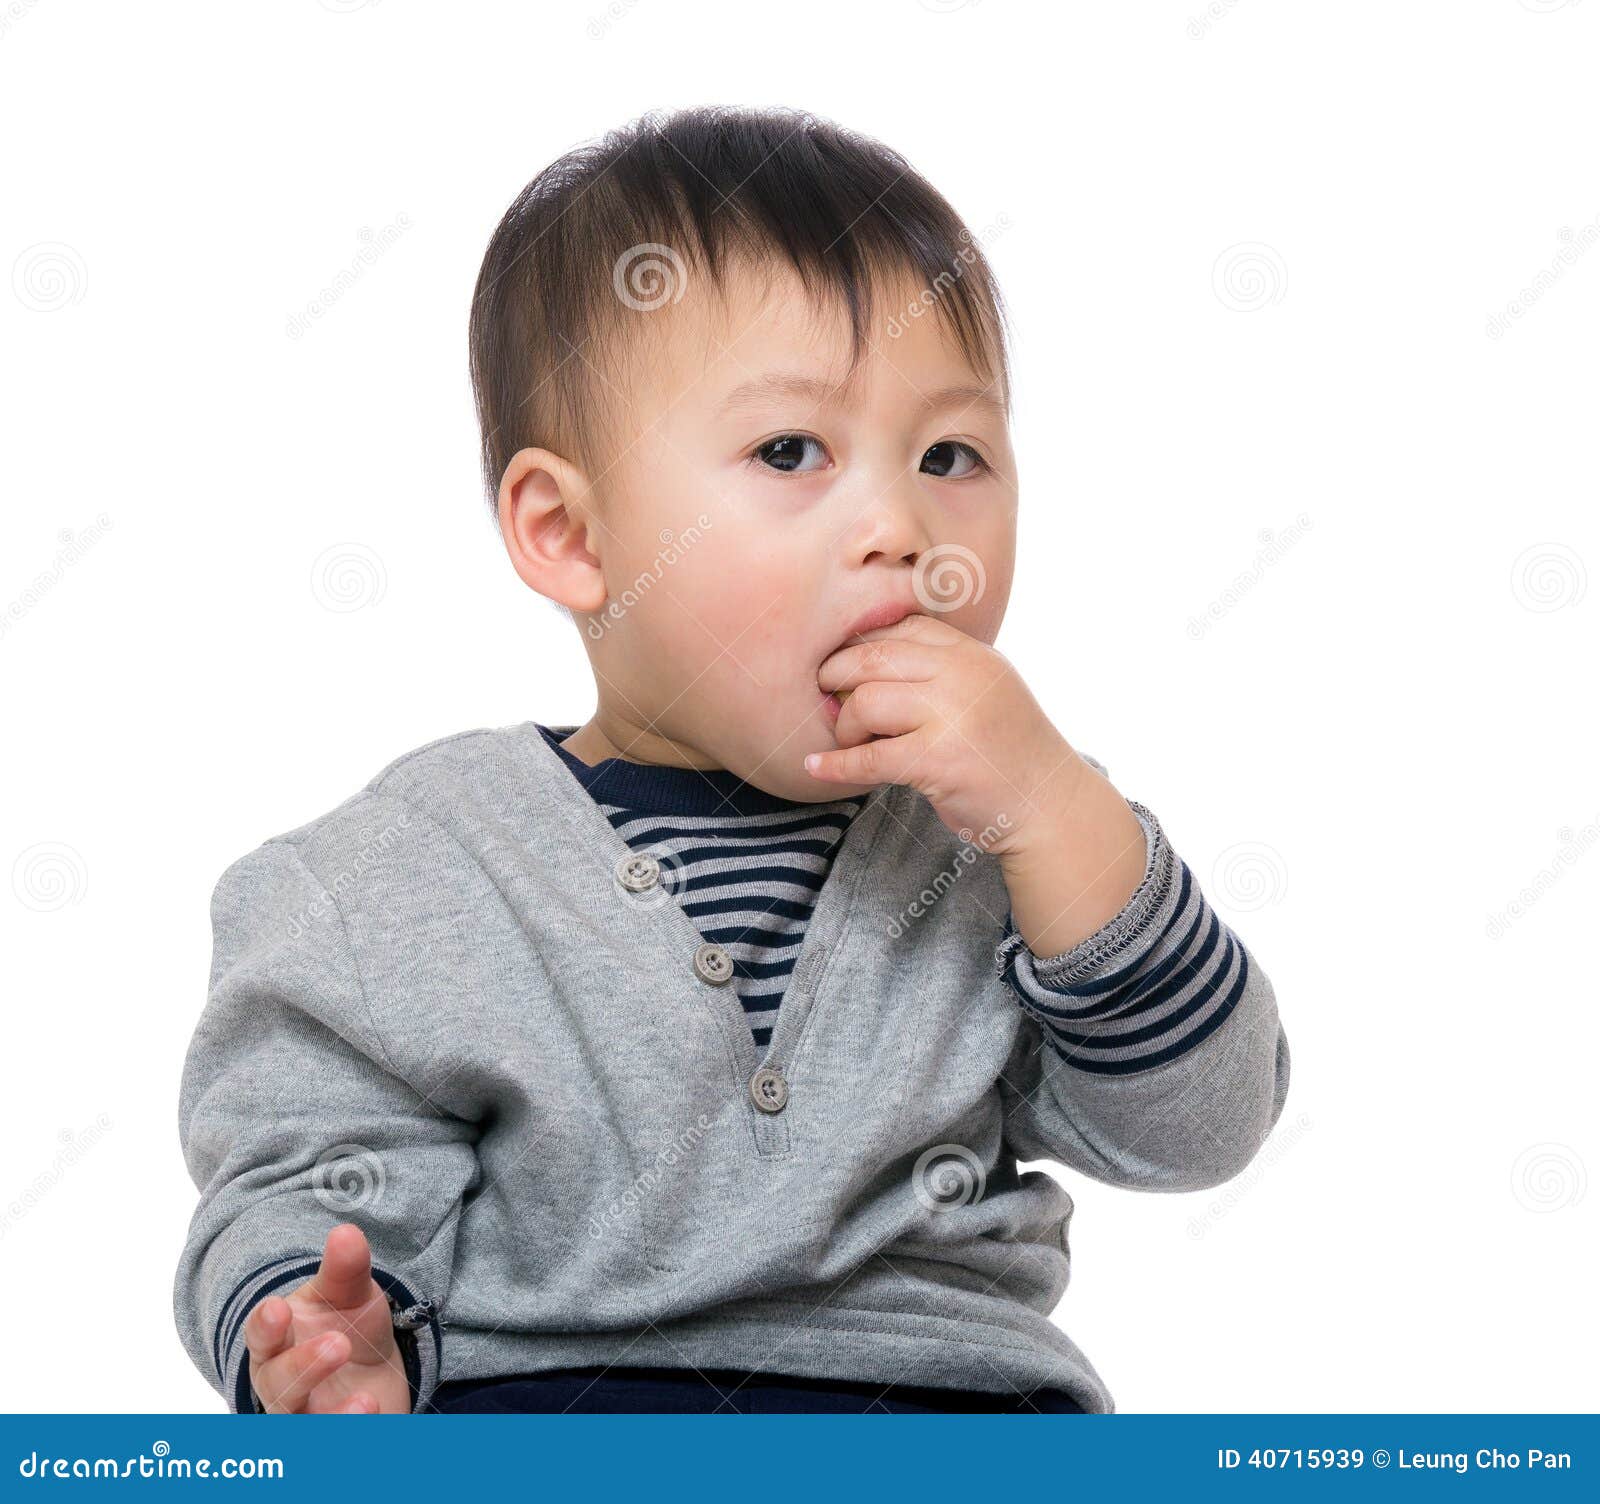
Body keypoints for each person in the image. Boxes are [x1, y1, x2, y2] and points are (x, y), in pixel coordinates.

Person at [173, 105, 1291, 1416]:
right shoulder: (411, 875)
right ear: (570, 534)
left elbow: (1202, 1130)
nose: (897, 520)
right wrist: (321, 1335)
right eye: (788, 453)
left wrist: (1057, 814)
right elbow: (305, 1170)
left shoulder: (1015, 838)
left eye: (951, 455)